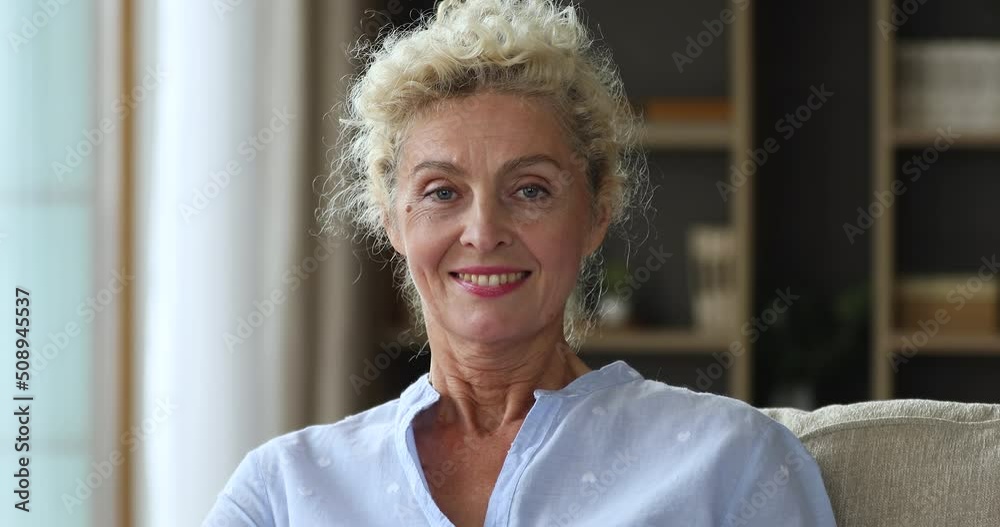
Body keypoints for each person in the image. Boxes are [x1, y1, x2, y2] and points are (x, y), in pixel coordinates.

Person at [203, 1, 838, 525]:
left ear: (595, 214)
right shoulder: (283, 489)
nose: (483, 232)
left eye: (530, 190)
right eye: (441, 192)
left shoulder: (733, 462)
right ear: (393, 221)